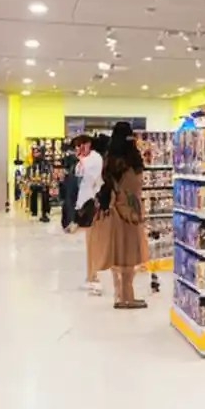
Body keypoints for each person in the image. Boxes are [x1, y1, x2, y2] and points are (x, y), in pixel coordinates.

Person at [98, 122, 149, 309]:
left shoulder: (109, 160)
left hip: (112, 213)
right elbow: (134, 190)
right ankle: (128, 296)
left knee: (117, 254)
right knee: (129, 255)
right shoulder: (132, 162)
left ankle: (118, 294)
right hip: (129, 214)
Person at [73, 134, 106, 295]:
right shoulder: (83, 161)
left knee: (94, 244)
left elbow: (91, 177)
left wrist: (81, 160)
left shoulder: (95, 159)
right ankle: (90, 276)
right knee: (89, 244)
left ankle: (95, 278)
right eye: (76, 146)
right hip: (84, 204)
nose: (78, 150)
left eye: (81, 146)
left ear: (88, 145)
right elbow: (78, 175)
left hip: (92, 204)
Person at [60, 143, 79, 231]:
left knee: (68, 202)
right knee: (71, 202)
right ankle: (70, 222)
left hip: (68, 180)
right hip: (73, 180)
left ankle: (66, 223)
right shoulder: (75, 158)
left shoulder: (67, 157)